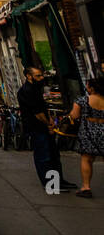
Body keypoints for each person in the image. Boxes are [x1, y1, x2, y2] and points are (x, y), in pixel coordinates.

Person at [19, 64, 74, 192]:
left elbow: (43, 108)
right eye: (38, 76)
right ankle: (51, 184)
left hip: (42, 127)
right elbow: (38, 113)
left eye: (41, 75)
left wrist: (50, 120)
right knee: (44, 156)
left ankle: (59, 181)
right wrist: (48, 124)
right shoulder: (27, 90)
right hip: (37, 128)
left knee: (53, 155)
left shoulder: (36, 89)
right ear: (29, 76)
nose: (41, 78)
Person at [67, 77, 104, 198]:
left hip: (88, 130)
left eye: (87, 85)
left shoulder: (82, 100)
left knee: (87, 158)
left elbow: (74, 115)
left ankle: (86, 187)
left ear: (92, 88)